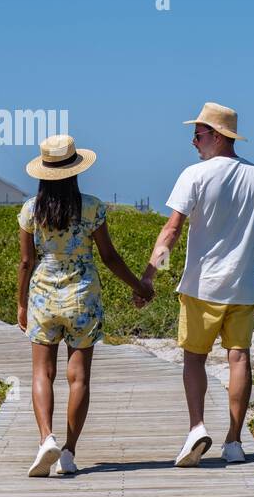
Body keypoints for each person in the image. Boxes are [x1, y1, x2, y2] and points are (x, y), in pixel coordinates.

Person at [137, 102, 254, 467]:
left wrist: (150, 275)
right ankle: (234, 440)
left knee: (194, 360)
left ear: (216, 136)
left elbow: (171, 231)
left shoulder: (195, 175)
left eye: (198, 135)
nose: (193, 142)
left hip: (201, 288)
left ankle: (197, 427)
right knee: (239, 357)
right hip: (243, 289)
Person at [18, 134, 154, 478]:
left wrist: (21, 304)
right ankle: (68, 452)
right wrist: (140, 287)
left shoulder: (31, 210)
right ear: (75, 170)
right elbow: (109, 256)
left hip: (43, 295)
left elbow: (25, 262)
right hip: (83, 295)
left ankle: (45, 437)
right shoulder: (92, 207)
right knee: (78, 377)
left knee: (41, 373)